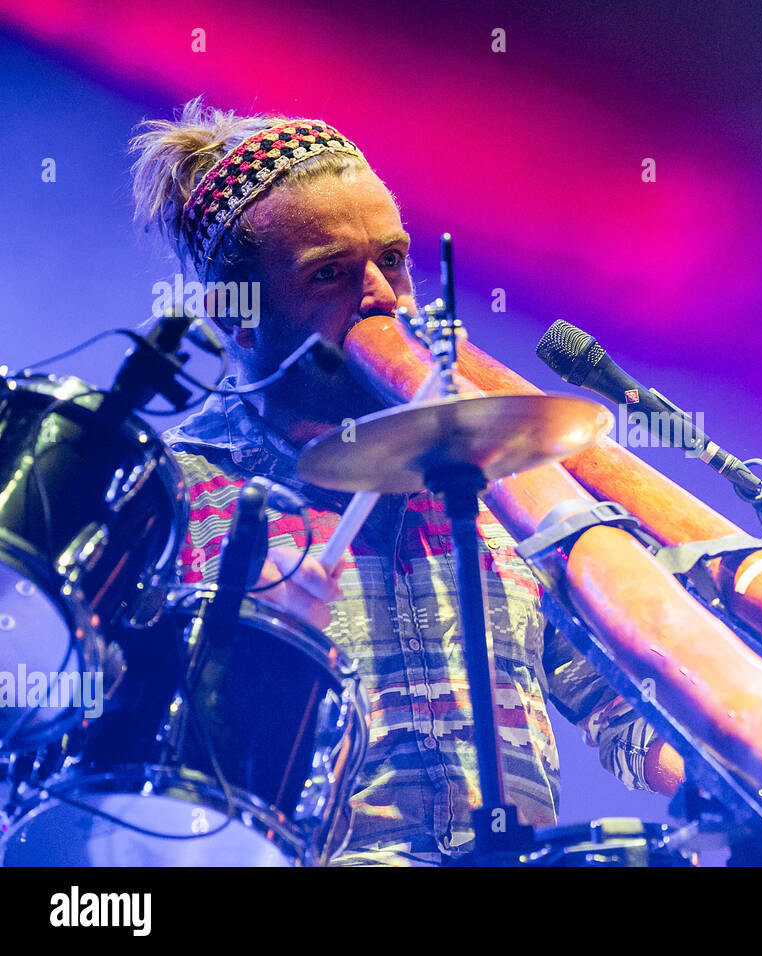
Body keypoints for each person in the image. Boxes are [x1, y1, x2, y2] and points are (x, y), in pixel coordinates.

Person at [129, 98, 684, 865]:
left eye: (391, 259)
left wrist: (738, 784)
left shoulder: (492, 474)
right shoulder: (171, 502)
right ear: (238, 315)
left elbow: (623, 707)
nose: (385, 297)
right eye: (330, 275)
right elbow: (121, 793)